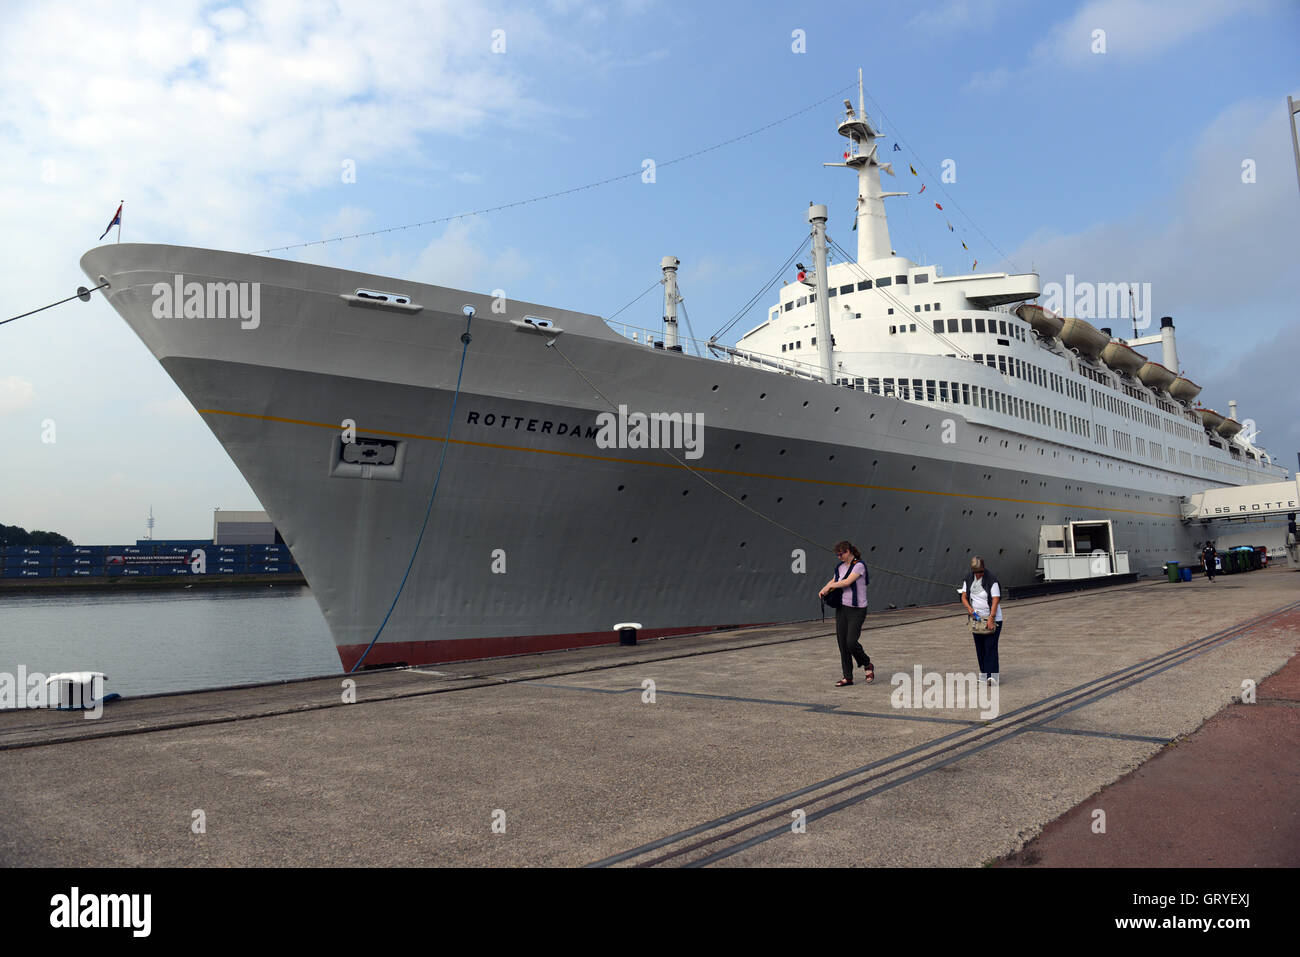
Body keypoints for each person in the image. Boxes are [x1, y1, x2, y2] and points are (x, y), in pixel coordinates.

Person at [818, 541, 873, 687]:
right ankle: (847, 677)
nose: (839, 557)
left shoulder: (859, 566)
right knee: (842, 644)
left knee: (851, 642)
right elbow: (835, 579)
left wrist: (830, 586)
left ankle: (867, 663)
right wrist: (824, 589)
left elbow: (847, 582)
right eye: (837, 555)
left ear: (848, 551)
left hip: (857, 609)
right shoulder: (840, 567)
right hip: (842, 609)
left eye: (840, 554)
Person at [959, 555, 1002, 685]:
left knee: (990, 647)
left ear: (984, 569)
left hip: (992, 618)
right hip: (976, 619)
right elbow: (964, 596)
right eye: (976, 572)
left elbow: (995, 600)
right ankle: (984, 674)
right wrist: (969, 608)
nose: (978, 575)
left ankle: (993, 677)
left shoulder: (991, 579)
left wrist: (991, 618)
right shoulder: (968, 578)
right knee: (980, 648)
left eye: (981, 572)